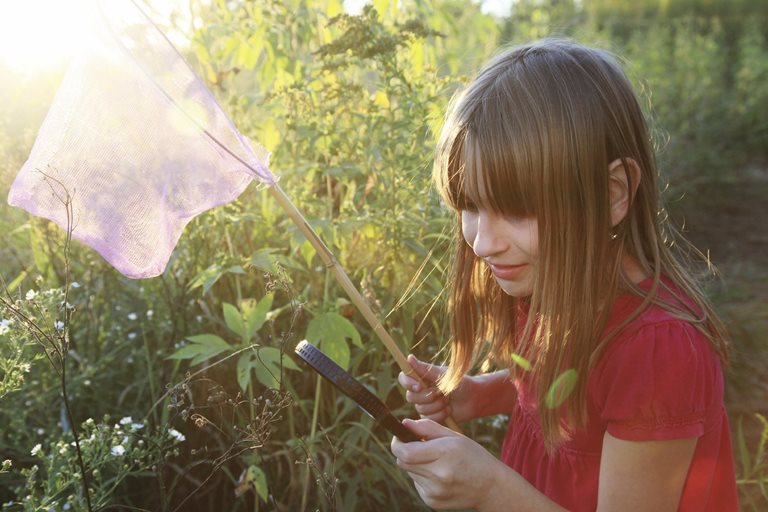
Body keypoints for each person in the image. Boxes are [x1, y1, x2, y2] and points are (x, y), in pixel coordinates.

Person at [389, 38, 738, 512]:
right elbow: (558, 392)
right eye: (469, 205)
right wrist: (476, 395)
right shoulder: (546, 284)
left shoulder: (658, 354)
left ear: (613, 193)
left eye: (515, 208)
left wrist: (492, 490)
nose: (482, 242)